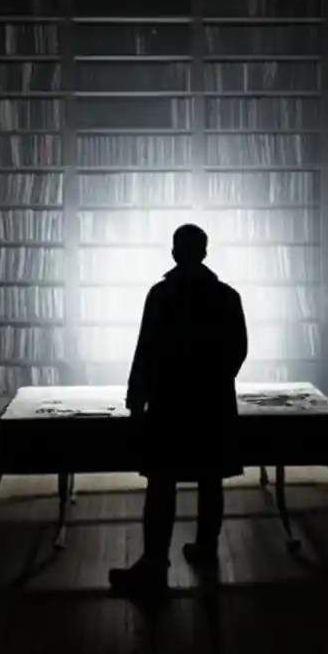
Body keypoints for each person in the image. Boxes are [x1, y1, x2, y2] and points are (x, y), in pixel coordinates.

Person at [108, 223, 248, 597]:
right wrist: (215, 380)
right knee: (210, 475)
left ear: (176, 252)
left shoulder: (161, 294)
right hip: (213, 400)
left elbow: (145, 350)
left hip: (169, 401)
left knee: (161, 481)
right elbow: (239, 349)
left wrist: (137, 396)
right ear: (205, 253)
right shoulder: (226, 296)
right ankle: (205, 547)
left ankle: (155, 561)